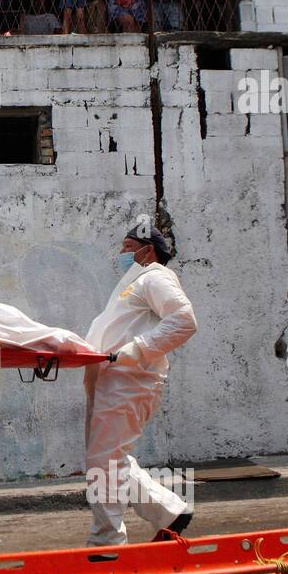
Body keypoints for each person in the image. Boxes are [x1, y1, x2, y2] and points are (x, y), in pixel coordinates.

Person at [82, 223, 197, 550]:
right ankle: (169, 511)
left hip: (129, 381)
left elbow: (184, 321)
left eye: (128, 246)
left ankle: (106, 544)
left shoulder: (155, 276)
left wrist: (133, 351)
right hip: (111, 381)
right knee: (109, 458)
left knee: (104, 462)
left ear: (147, 251)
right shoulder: (129, 286)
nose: (121, 253)